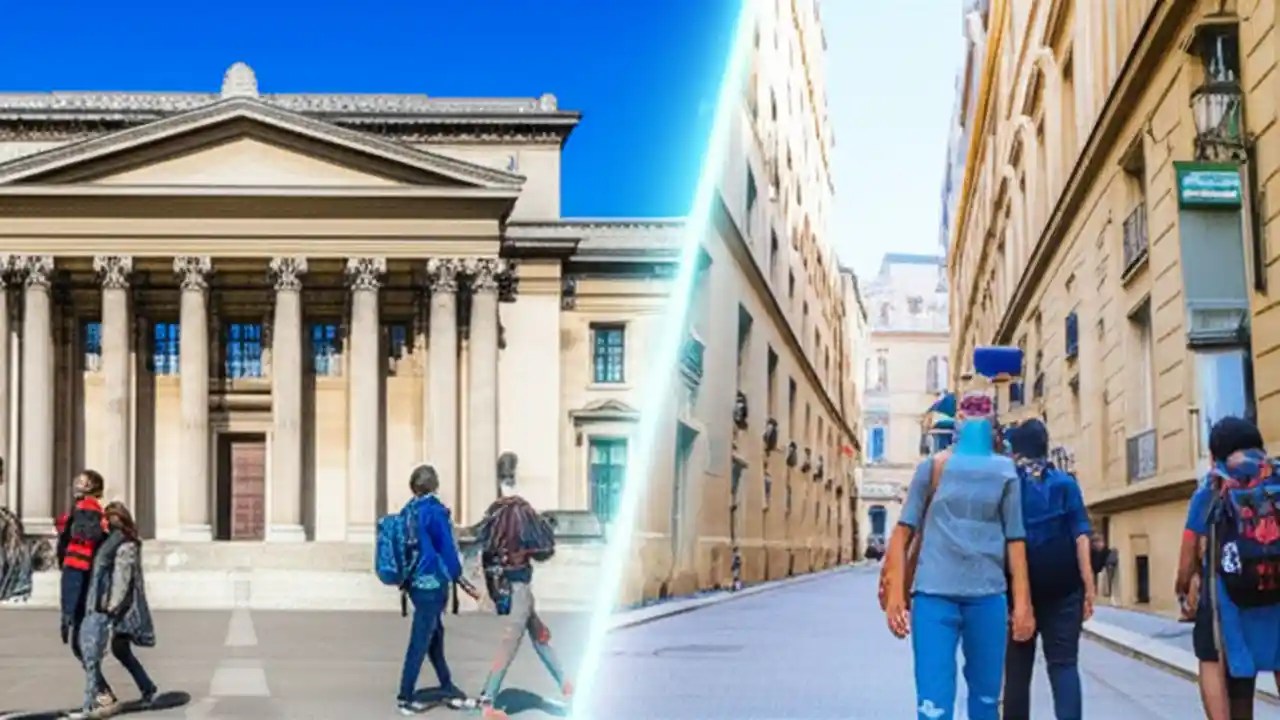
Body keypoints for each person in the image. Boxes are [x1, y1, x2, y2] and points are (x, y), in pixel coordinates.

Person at [883, 391, 1034, 720]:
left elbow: (1015, 538)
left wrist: (1022, 603)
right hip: (934, 598)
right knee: (933, 704)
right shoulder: (933, 469)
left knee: (985, 700)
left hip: (988, 597)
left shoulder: (1006, 473)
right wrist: (896, 594)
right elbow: (902, 531)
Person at [1176, 416, 1280, 720]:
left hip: (1230, 599)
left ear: (1214, 454)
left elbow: (1187, 554)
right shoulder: (1275, 477)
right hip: (1276, 592)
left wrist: (1184, 587)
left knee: (1212, 656)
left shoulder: (1214, 486)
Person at [461, 451, 571, 720]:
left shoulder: (494, 511)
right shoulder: (523, 510)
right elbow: (544, 547)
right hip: (520, 582)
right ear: (516, 475)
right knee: (513, 640)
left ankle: (567, 686)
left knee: (539, 634)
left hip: (505, 583)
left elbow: (477, 540)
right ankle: (488, 700)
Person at [1001, 419, 1095, 720]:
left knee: (1016, 672)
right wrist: (1089, 588)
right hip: (1065, 589)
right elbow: (1082, 536)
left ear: (1014, 450)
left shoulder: (1009, 483)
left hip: (1018, 592)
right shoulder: (1066, 483)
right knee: (1064, 665)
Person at [396, 464, 478, 716]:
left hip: (414, 584)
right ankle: (405, 696)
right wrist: (459, 578)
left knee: (435, 638)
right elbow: (447, 549)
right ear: (434, 484)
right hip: (432, 582)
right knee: (421, 640)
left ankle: (447, 688)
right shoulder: (434, 511)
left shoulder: (408, 510)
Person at [69, 502, 157, 719]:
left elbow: (122, 578)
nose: (105, 522)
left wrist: (111, 607)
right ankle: (147, 688)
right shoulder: (113, 542)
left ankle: (96, 699)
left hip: (122, 609)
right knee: (120, 650)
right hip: (116, 606)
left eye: (109, 517)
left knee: (96, 651)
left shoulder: (125, 544)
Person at [57, 470, 111, 713]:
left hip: (80, 580)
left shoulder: (87, 512)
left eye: (82, 483)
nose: (76, 486)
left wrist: (69, 605)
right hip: (82, 580)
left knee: (82, 642)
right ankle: (102, 692)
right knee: (83, 643)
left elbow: (79, 558)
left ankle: (99, 695)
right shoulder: (87, 511)